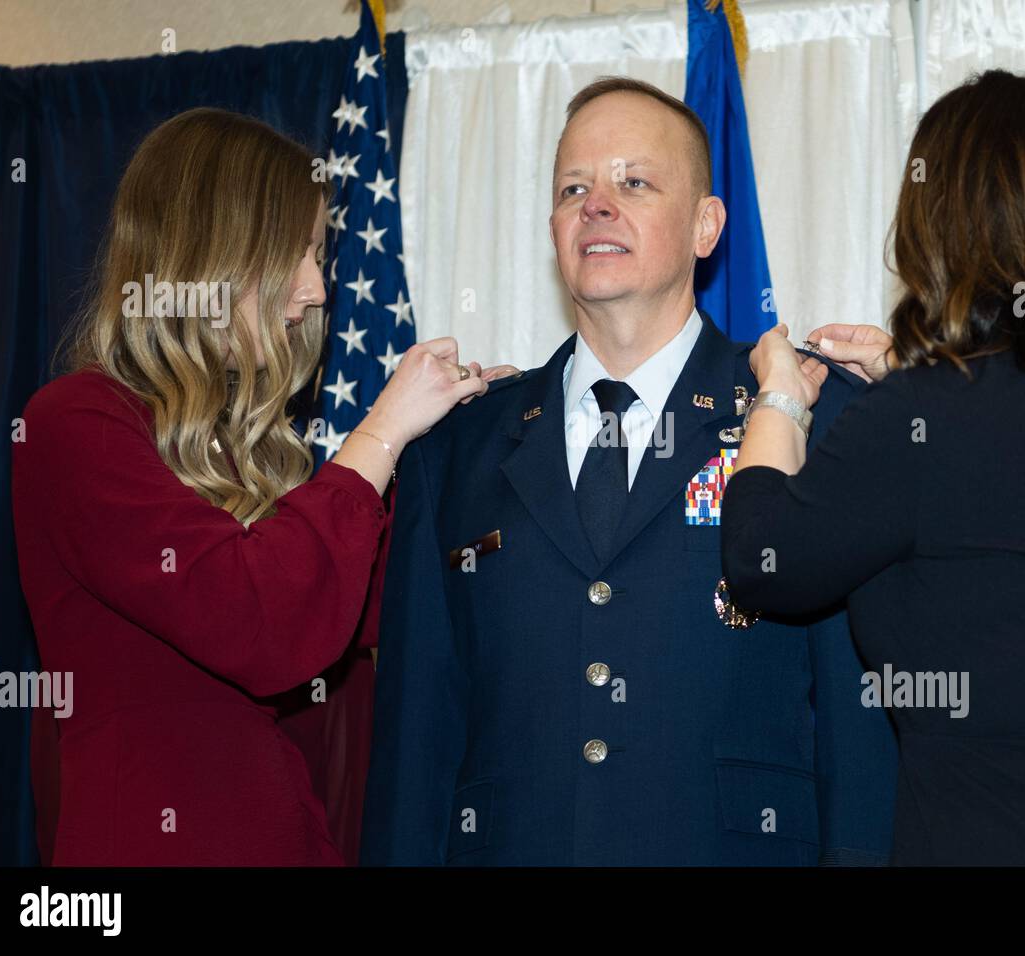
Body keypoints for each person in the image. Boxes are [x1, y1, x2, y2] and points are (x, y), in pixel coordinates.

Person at [361, 77, 897, 866]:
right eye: (574, 187)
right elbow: (416, 738)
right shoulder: (457, 445)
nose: (597, 205)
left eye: (634, 182)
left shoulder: (812, 416)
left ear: (706, 226)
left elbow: (859, 734)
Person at [720, 70, 1025, 866]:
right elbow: (1021, 474)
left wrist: (779, 400)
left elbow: (761, 560)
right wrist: (918, 397)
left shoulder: (928, 422)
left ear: (946, 220)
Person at [11, 107, 499, 865]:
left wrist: (475, 451)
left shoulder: (253, 457)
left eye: (318, 253)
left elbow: (384, 607)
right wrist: (379, 434)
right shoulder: (76, 424)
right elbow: (264, 626)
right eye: (295, 253)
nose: (315, 288)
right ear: (210, 252)